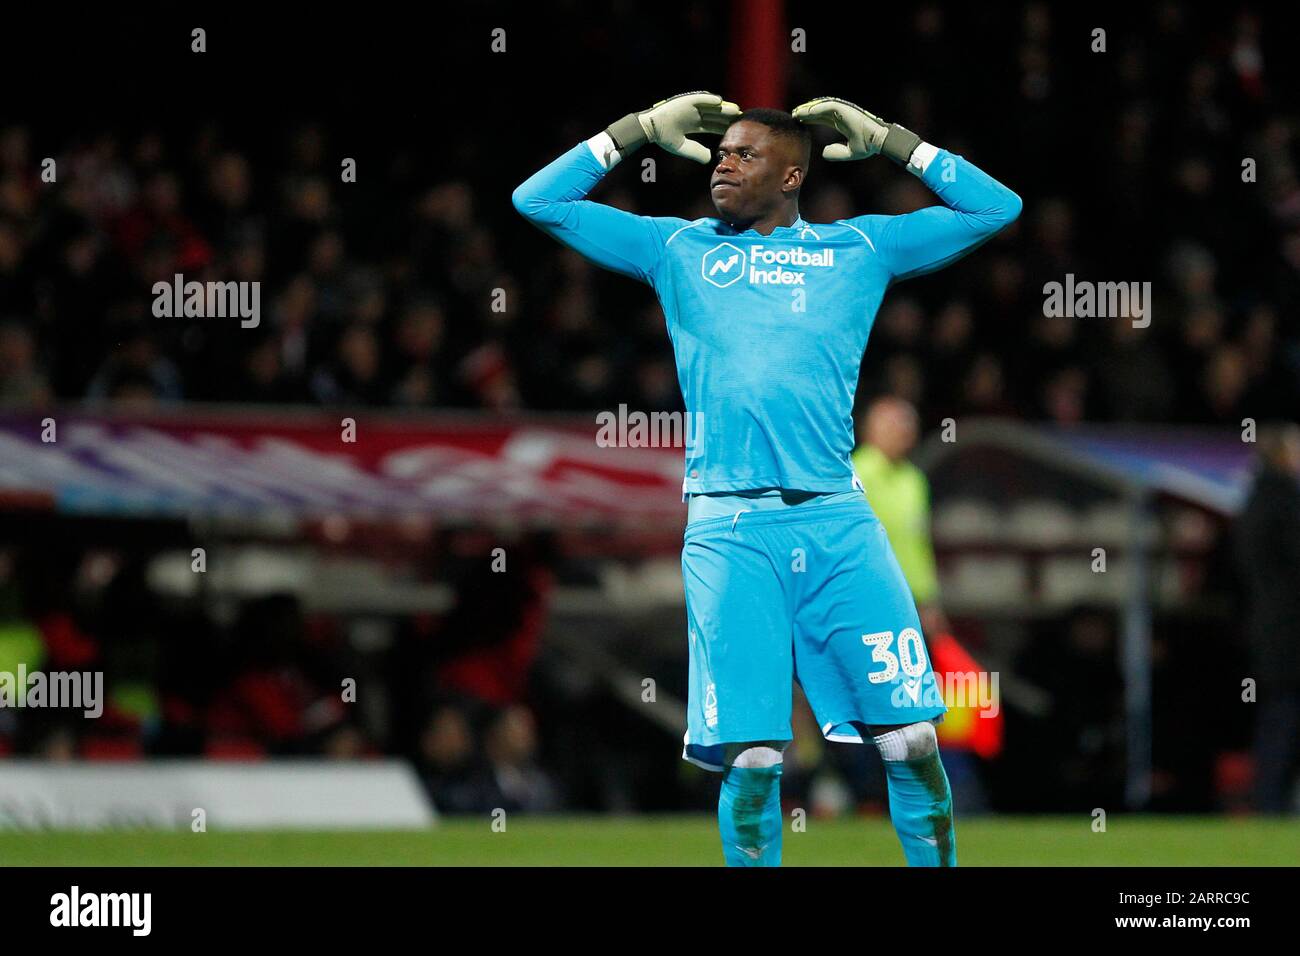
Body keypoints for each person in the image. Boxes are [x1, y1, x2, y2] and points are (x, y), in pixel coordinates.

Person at [514, 92, 1021, 866]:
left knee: (915, 736)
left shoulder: (859, 249)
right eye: (720, 152)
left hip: (837, 524)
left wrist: (891, 140)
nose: (722, 162)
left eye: (745, 154)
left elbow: (996, 207)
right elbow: (536, 200)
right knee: (752, 758)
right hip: (730, 531)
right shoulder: (677, 249)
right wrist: (639, 130)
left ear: (792, 176)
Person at [1233, 422, 1300, 813]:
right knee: (1283, 723)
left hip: (1270, 632)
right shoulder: (1284, 503)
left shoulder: (1254, 500)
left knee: (1277, 719)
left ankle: (1270, 804)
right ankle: (1272, 805)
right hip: (1290, 636)